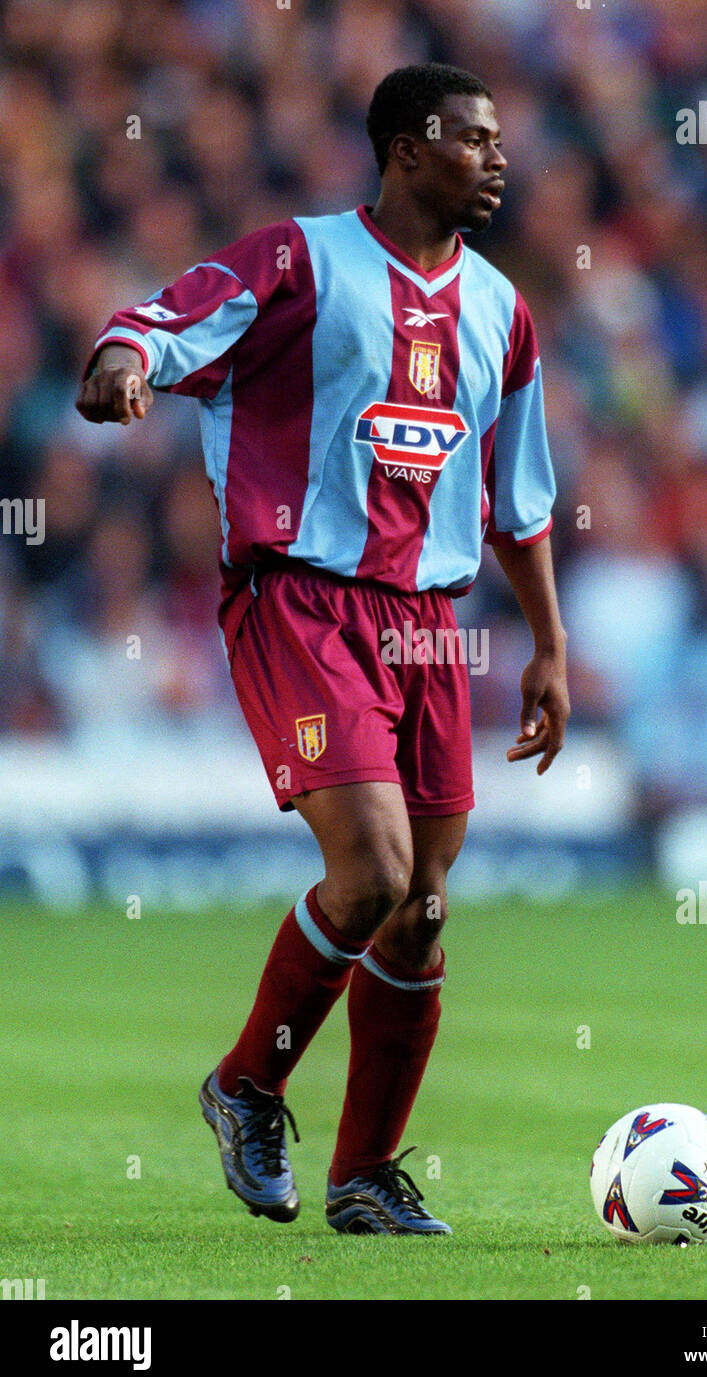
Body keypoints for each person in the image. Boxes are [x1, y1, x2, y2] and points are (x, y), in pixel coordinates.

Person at [76, 62, 570, 1235]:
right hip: (300, 600)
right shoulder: (297, 260)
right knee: (373, 874)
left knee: (422, 911)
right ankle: (244, 1084)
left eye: (499, 140)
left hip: (431, 628)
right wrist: (120, 367)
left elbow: (520, 498)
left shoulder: (502, 310)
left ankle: (362, 1174)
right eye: (471, 138)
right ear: (406, 149)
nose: (496, 157)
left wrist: (548, 645)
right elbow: (156, 321)